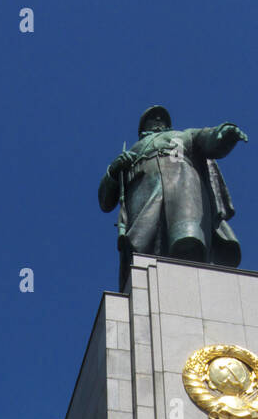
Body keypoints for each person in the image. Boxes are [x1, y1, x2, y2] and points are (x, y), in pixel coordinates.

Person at [99, 105, 247, 291]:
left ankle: (190, 270)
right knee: (140, 250)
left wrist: (223, 132)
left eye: (162, 117)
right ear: (143, 126)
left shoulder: (183, 136)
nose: (158, 120)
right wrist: (114, 171)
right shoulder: (132, 151)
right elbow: (105, 201)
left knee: (187, 236)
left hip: (183, 186)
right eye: (153, 117)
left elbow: (207, 137)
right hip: (144, 194)